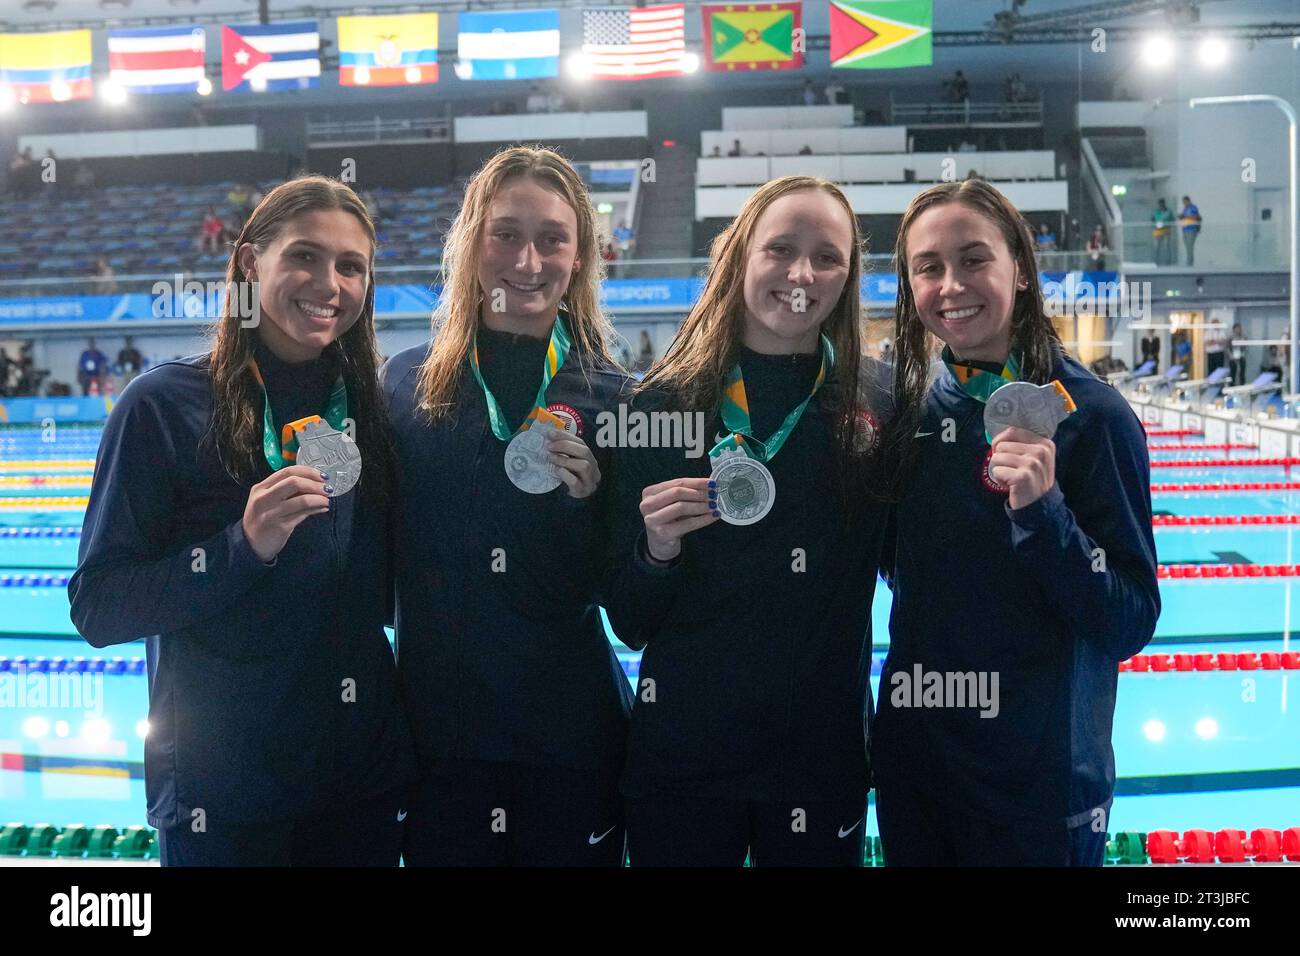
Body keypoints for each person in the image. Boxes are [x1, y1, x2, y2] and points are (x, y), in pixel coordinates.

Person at [68, 176, 415, 865]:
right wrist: (242, 547)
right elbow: (98, 606)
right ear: (252, 263)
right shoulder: (164, 407)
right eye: (305, 257)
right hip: (221, 797)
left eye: (351, 266)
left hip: (355, 789)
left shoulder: (372, 414)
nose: (330, 282)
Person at [603, 175, 892, 866]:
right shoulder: (660, 405)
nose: (802, 273)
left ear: (848, 277)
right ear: (739, 259)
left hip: (818, 764)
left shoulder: (879, 401)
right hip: (684, 764)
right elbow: (630, 621)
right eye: (781, 249)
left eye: (827, 257)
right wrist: (656, 550)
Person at [872, 178, 1160, 866]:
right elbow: (898, 571)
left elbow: (1130, 621)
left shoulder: (1092, 418)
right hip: (920, 771)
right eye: (929, 267)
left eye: (974, 259)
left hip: (1039, 783)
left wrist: (1045, 516)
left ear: (1021, 271)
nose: (951, 285)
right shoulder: (906, 415)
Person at [382, 146, 632, 866]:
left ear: (580, 257)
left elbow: (635, 600)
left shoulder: (617, 397)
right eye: (507, 234)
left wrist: (591, 507)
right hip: (440, 746)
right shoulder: (405, 386)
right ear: (471, 246)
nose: (529, 260)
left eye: (552, 238)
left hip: (570, 742)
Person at [1180, 195, 1201, 266]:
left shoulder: (1193, 208)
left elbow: (1195, 217)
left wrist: (1185, 216)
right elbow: (1184, 217)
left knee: (1190, 247)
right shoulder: (1185, 209)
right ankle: (1188, 262)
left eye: (1184, 202)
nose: (1184, 203)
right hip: (1185, 229)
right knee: (1187, 247)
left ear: (1188, 201)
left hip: (1191, 230)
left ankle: (1190, 263)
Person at [1152, 199, 1174, 266]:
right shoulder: (1156, 212)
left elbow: (1172, 220)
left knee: (1167, 247)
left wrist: (1166, 224)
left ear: (1164, 204)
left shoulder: (1169, 212)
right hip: (1157, 232)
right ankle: (1156, 262)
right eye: (1160, 204)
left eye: (1162, 204)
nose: (1161, 205)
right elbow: (1152, 220)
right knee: (1156, 248)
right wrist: (1156, 225)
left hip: (1166, 231)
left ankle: (1168, 262)